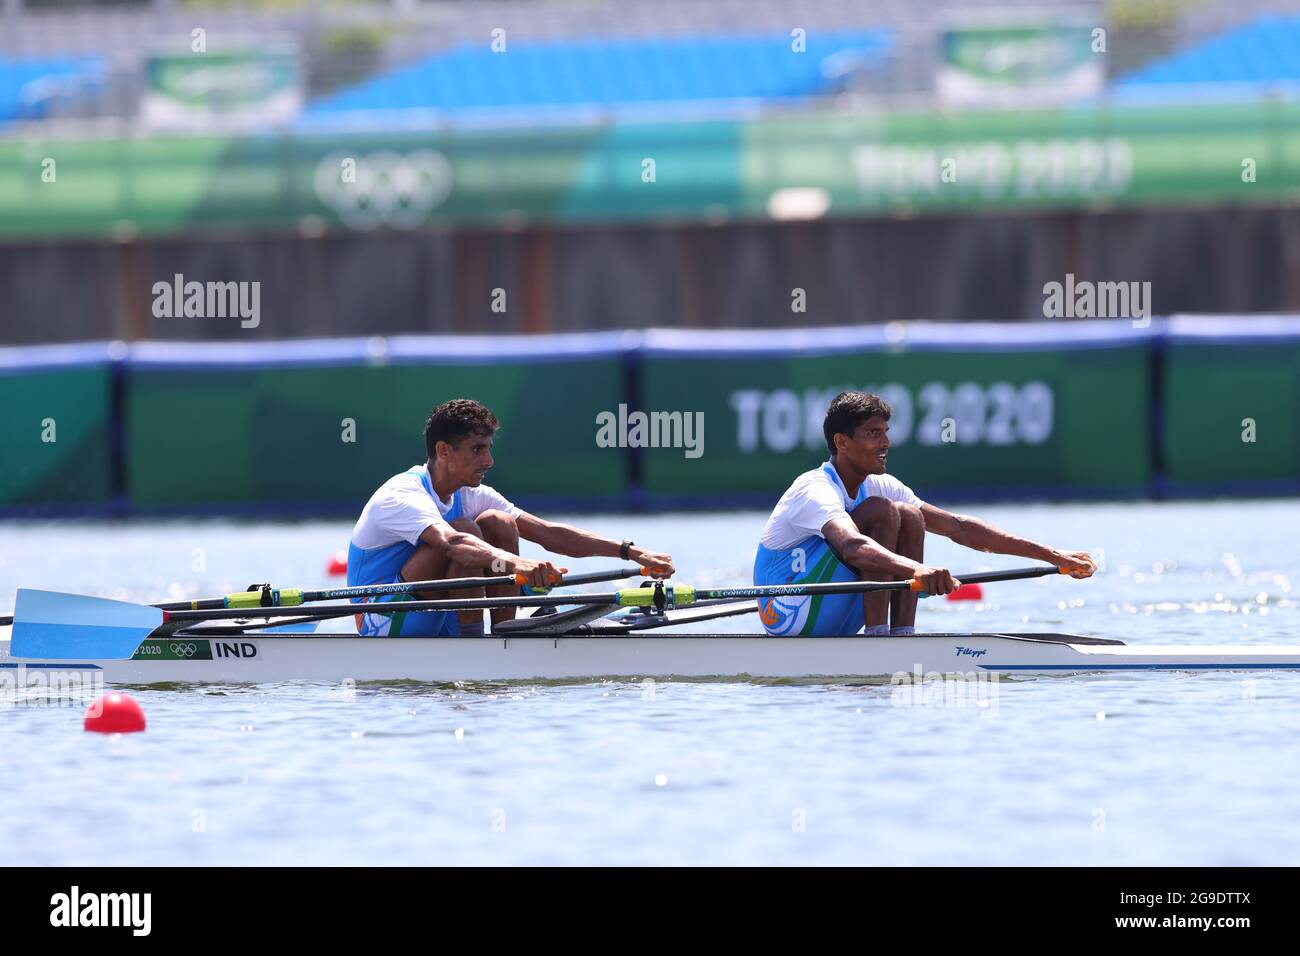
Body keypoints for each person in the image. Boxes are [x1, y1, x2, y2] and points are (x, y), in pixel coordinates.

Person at [754, 390, 1095, 636]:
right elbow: (852, 547)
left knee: (910, 515)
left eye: (886, 433)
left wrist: (1053, 555)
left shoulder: (882, 483)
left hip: (831, 605)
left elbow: (959, 528)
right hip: (788, 610)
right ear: (842, 442)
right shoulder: (814, 489)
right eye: (874, 434)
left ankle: (902, 635)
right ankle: (877, 638)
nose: (886, 443)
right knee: (883, 513)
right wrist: (919, 569)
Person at [348, 398, 675, 636]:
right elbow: (452, 543)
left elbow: (548, 533)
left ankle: (504, 633)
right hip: (382, 619)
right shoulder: (401, 495)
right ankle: (476, 648)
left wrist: (630, 552)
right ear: (444, 451)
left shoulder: (471, 493)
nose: (489, 461)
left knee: (499, 523)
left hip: (432, 609)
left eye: (489, 448)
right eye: (478, 449)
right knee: (465, 530)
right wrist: (518, 566)